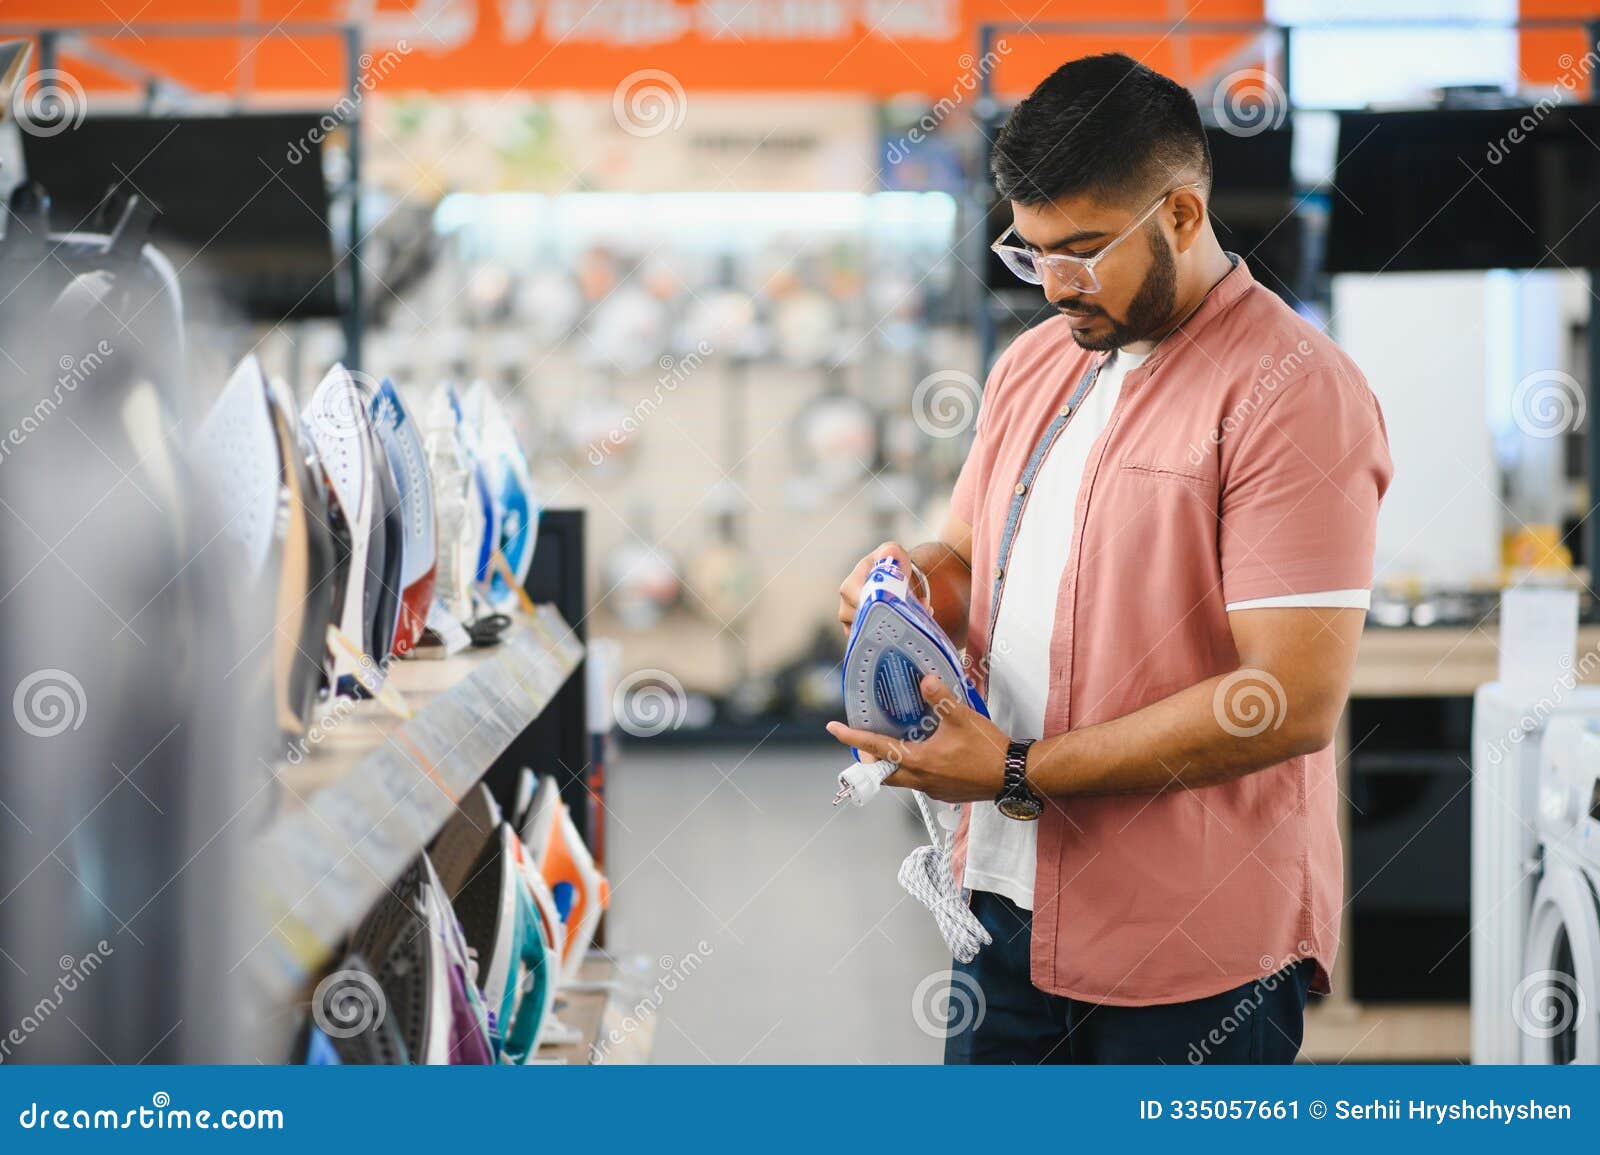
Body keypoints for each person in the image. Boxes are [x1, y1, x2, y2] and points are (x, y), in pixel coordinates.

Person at [828, 53, 1392, 1064]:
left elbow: (1289, 695)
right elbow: (966, 551)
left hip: (1188, 949)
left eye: (1081, 251)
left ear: (1179, 215)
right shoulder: (1039, 360)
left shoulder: (1292, 392)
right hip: (1003, 910)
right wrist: (912, 583)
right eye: (1029, 251)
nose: (1052, 285)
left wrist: (1012, 769)